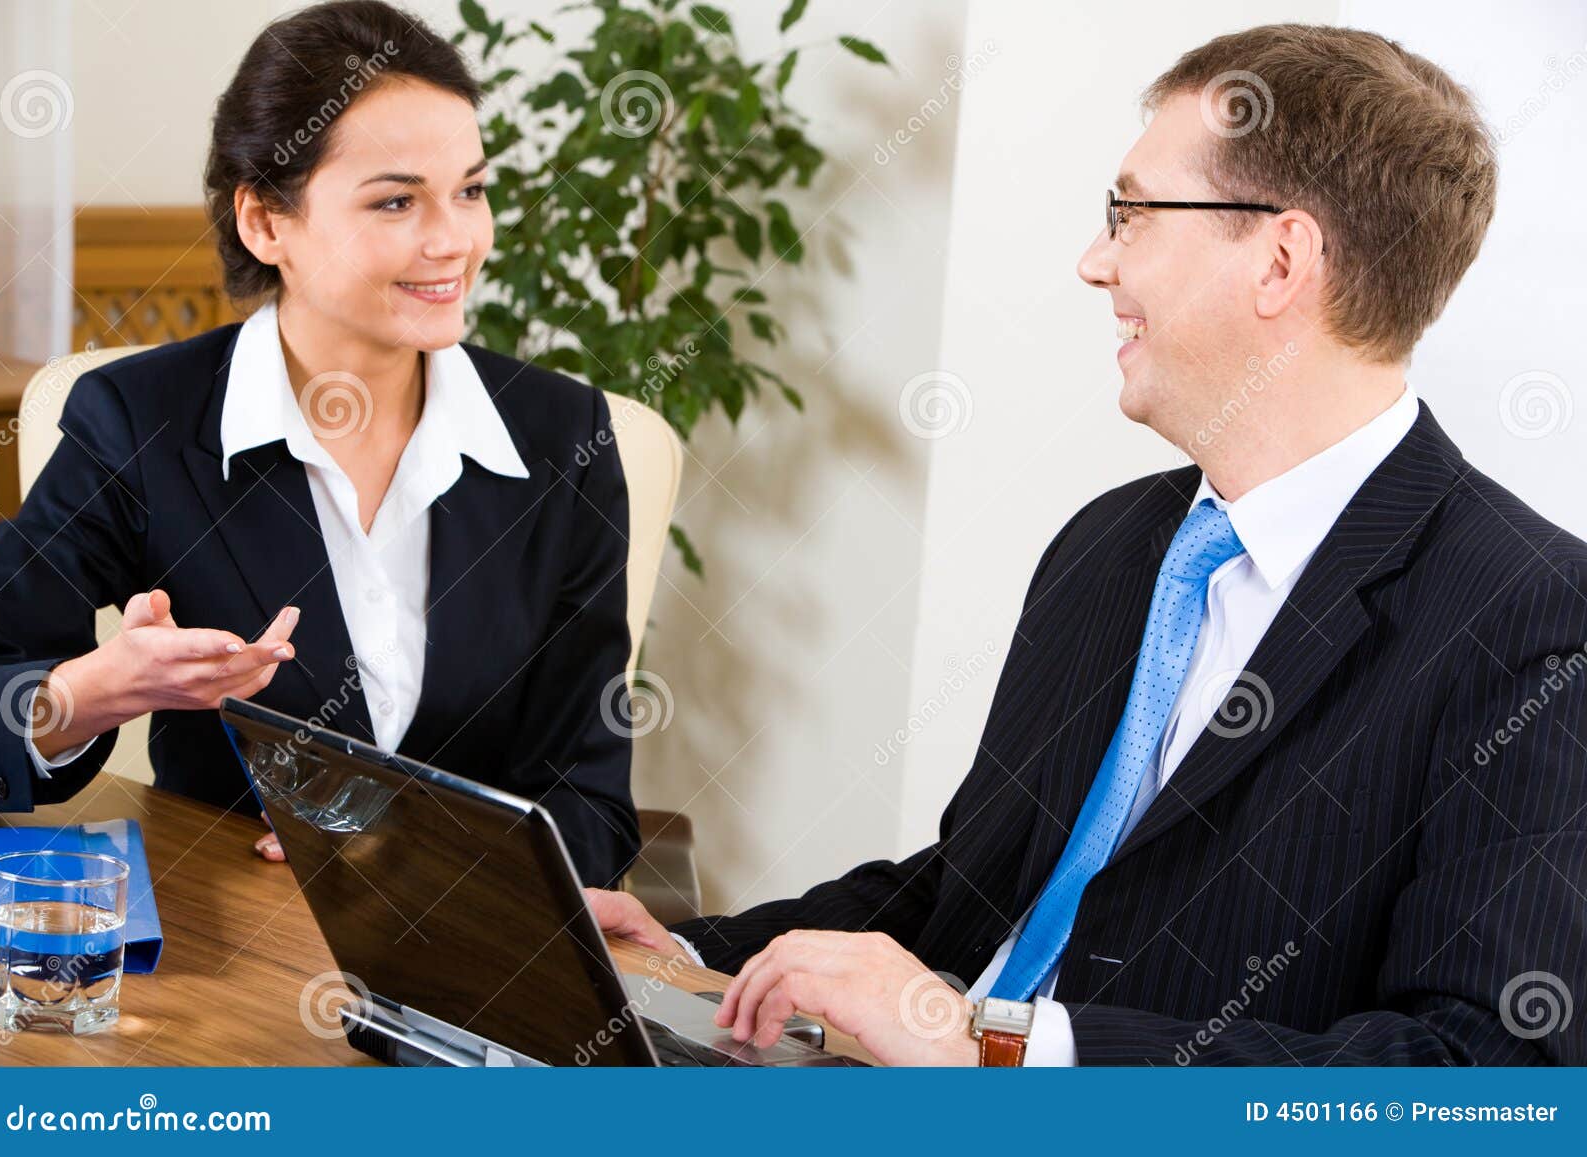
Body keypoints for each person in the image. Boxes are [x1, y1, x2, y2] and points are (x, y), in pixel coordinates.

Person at [588, 24, 1587, 1065]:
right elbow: (978, 885)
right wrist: (691, 950)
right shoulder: (1112, 544)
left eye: (1133, 214)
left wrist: (1010, 1048)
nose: (1095, 260)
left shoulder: (1537, 622)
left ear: (1281, 258)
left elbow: (1484, 1075)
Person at [0, 0, 640, 888]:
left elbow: (590, 799)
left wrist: (417, 856)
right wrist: (85, 696)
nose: (455, 240)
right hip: (228, 959)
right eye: (397, 200)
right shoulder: (140, 421)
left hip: (474, 956)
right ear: (264, 223)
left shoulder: (564, 438)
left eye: (472, 190)